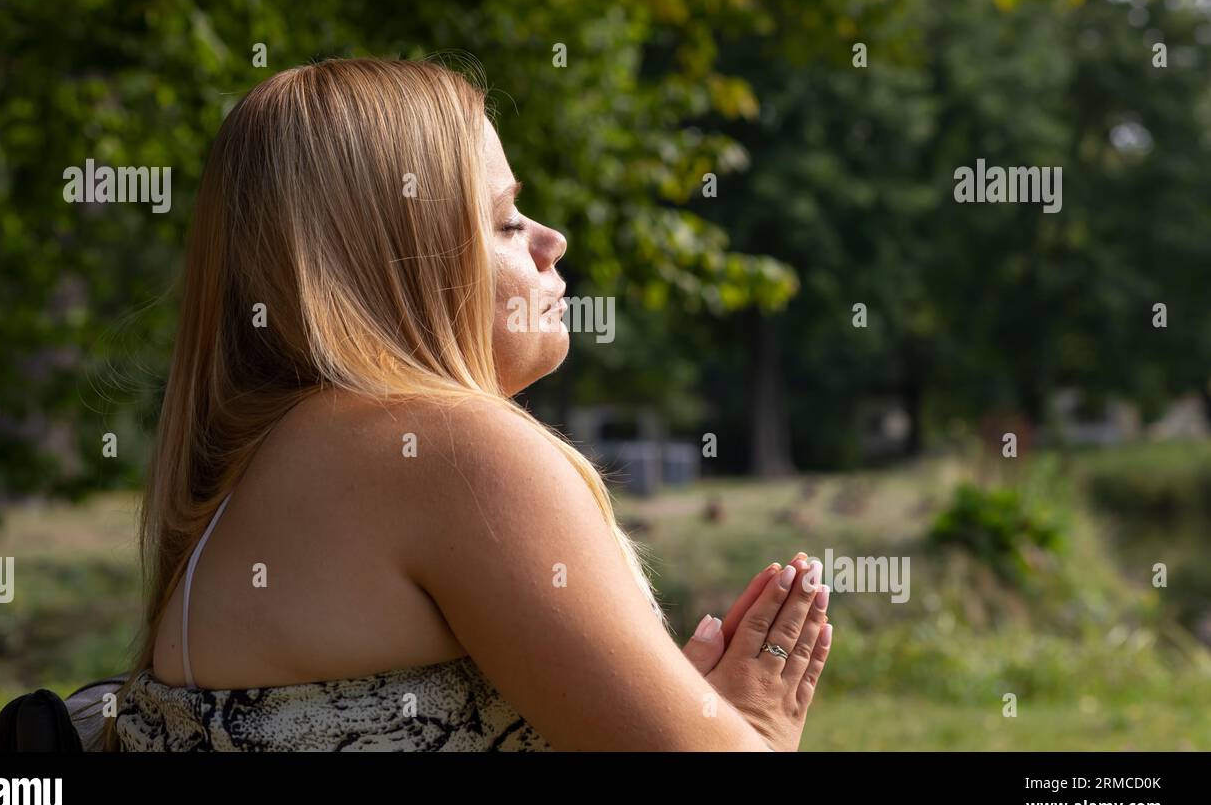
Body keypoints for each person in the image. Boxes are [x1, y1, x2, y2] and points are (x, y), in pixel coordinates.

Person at [105, 58, 833, 751]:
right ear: (393, 263)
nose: (553, 240)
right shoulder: (452, 449)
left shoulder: (257, 470)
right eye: (507, 220)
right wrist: (754, 723)